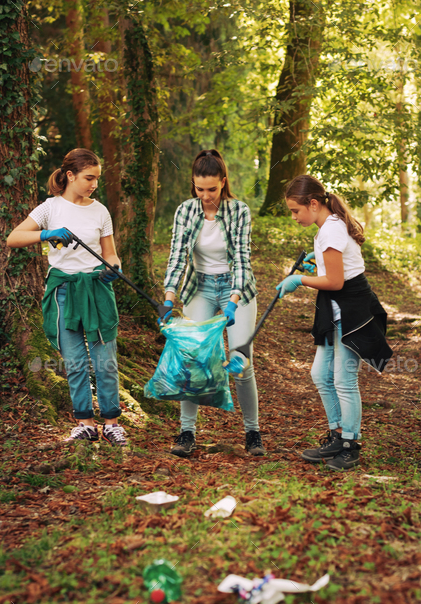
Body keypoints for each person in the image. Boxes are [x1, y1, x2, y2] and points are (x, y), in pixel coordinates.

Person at [6, 148, 128, 446]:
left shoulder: (100, 210)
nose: (94, 184)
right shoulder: (49, 209)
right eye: (89, 177)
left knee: (104, 359)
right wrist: (45, 235)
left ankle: (111, 423)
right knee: (74, 360)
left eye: (97, 178)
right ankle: (84, 423)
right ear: (70, 176)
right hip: (63, 291)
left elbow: (110, 254)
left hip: (98, 288)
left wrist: (114, 267)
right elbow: (13, 238)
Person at [276, 174, 392, 471]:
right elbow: (333, 266)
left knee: (343, 379)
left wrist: (299, 279)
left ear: (313, 204)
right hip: (334, 310)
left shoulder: (331, 230)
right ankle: (338, 435)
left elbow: (336, 281)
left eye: (295, 210)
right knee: (320, 374)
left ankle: (350, 444)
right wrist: (316, 262)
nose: (294, 217)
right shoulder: (327, 228)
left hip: (352, 310)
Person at [162, 149, 265, 457]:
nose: (206, 196)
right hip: (200, 287)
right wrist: (168, 298)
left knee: (240, 362)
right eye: (199, 189)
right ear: (193, 185)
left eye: (212, 189)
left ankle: (252, 432)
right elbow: (177, 256)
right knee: (192, 357)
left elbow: (243, 260)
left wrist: (233, 300)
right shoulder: (186, 211)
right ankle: (186, 432)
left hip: (237, 289)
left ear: (223, 182)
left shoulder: (239, 211)